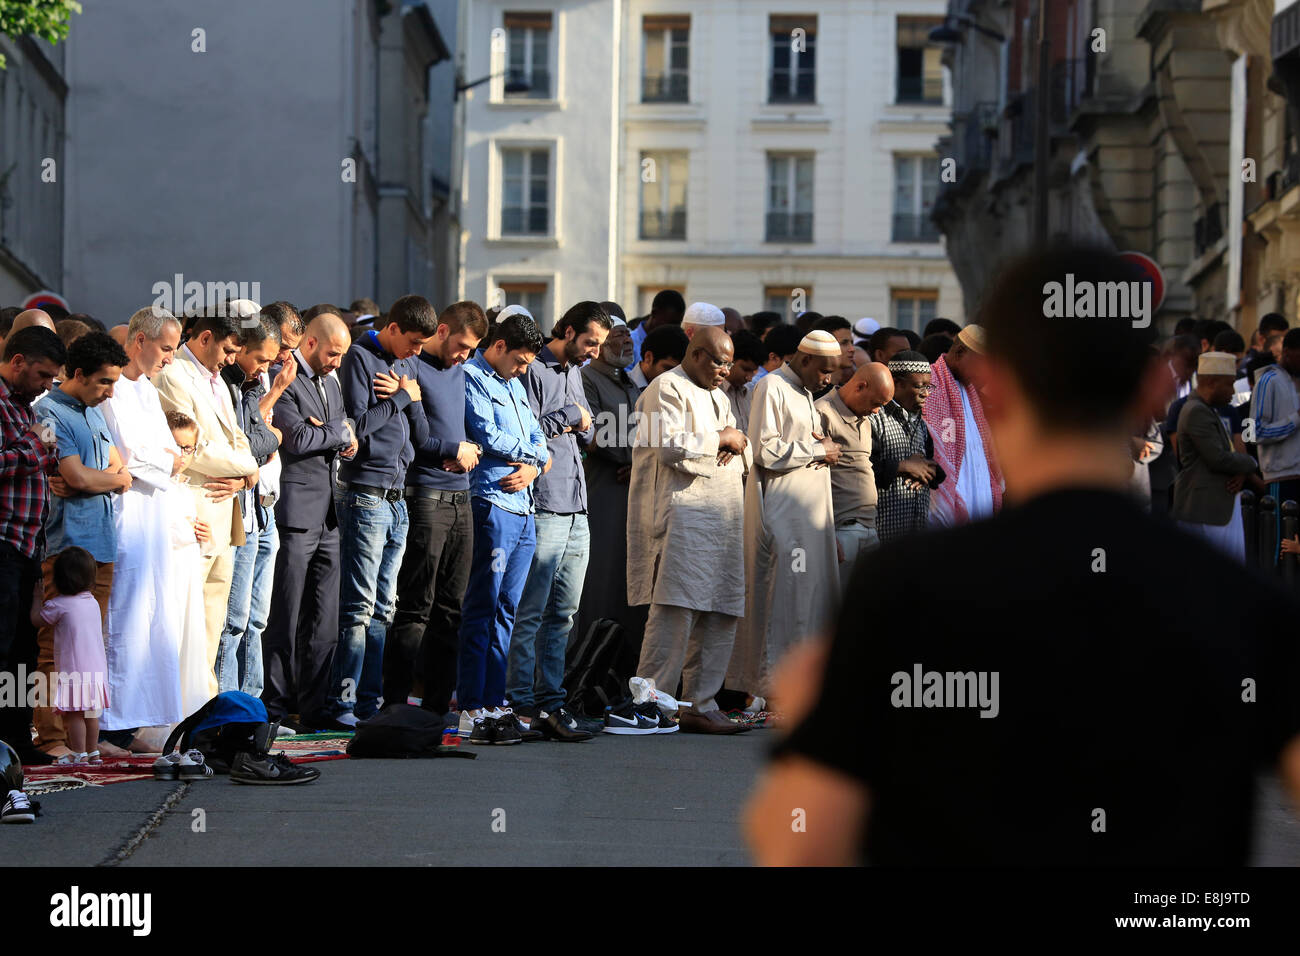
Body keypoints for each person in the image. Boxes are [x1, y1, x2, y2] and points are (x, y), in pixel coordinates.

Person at [745, 244, 1300, 866]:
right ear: (1152, 395)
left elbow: (800, 841)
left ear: (996, 393)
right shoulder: (1238, 601)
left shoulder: (903, 590)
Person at [626, 328, 752, 734]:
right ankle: (650, 705)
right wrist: (724, 438)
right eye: (719, 362)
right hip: (682, 518)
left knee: (721, 609)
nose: (726, 372)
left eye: (730, 363)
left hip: (723, 516)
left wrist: (732, 441)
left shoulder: (718, 395)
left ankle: (700, 703)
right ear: (696, 354)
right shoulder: (666, 388)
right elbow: (670, 447)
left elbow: (737, 446)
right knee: (675, 612)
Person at [330, 295, 437, 728]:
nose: (415, 352)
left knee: (383, 610)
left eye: (420, 346)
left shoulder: (409, 366)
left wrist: (410, 398)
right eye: (411, 343)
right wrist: (399, 400)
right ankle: (343, 703)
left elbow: (425, 433)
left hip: (399, 499)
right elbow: (358, 425)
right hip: (366, 493)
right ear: (392, 329)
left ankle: (369, 704)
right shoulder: (359, 356)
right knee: (357, 607)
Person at [508, 302, 609, 740]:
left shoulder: (574, 372)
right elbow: (526, 431)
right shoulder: (532, 368)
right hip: (544, 503)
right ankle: (520, 703)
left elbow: (590, 430)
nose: (595, 353)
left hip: (577, 505)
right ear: (567, 331)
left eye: (600, 345)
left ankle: (552, 702)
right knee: (531, 611)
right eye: (590, 342)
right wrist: (571, 417)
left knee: (564, 614)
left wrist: (578, 422)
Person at [730, 330, 842, 702]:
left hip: (807, 517)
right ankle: (765, 691)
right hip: (782, 516)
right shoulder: (772, 386)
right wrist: (818, 448)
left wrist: (819, 449)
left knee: (805, 603)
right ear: (805, 360)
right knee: (781, 602)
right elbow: (763, 449)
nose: (829, 379)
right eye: (825, 371)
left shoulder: (807, 393)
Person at [386, 301, 486, 715]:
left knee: (452, 609)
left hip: (462, 497)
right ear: (442, 331)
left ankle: (437, 707)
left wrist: (471, 449)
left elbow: (472, 434)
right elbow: (421, 438)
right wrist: (453, 449)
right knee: (415, 606)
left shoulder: (463, 373)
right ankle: (393, 704)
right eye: (461, 344)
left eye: (471, 349)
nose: (464, 354)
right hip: (426, 496)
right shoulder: (410, 369)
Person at [33, 332, 130, 759]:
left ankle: (85, 742)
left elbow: (116, 469)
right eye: (105, 382)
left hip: (102, 546)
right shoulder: (49, 411)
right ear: (77, 374)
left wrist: (103, 481)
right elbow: (76, 478)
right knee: (55, 649)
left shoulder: (95, 412)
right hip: (66, 547)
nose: (111, 391)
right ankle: (51, 738)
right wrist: (102, 480)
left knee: (91, 649)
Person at [153, 311, 259, 701]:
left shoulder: (219, 382)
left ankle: (205, 701)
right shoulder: (172, 375)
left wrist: (245, 470)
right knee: (187, 621)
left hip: (224, 509)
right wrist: (250, 469)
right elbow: (191, 448)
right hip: (194, 511)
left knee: (213, 620)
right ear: (206, 338)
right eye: (228, 350)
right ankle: (180, 706)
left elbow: (239, 439)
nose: (232, 359)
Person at [458, 312, 550, 745]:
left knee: (508, 608)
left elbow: (541, 443)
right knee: (483, 604)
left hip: (524, 507)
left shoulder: (515, 384)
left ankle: (495, 700)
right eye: (519, 361)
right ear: (497, 347)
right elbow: (484, 431)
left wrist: (533, 465)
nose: (523, 369)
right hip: (491, 502)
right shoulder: (472, 376)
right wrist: (531, 457)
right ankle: (471, 704)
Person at [262, 312, 356, 731]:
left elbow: (342, 430)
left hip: (331, 516)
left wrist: (337, 433)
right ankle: (276, 708)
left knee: (324, 620)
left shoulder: (332, 382)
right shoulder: (284, 375)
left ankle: (314, 708)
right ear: (312, 343)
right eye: (333, 354)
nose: (338, 363)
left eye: (342, 356)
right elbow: (297, 438)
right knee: (285, 615)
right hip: (296, 513)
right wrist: (338, 434)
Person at [98, 307, 185, 743]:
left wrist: (164, 462)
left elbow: (175, 454)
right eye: (165, 348)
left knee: (155, 617)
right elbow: (131, 457)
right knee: (124, 617)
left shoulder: (149, 392)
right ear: (138, 342)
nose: (170, 358)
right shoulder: (113, 390)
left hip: (155, 518)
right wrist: (164, 463)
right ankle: (113, 721)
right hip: (127, 516)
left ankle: (144, 715)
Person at [0, 327, 65, 764]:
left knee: (22, 651)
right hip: (2, 544)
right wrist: (37, 448)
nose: (46, 385)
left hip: (26, 546)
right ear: (17, 361)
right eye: (42, 374)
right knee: (2, 649)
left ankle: (17, 744)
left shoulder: (24, 409)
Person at [216, 315, 283, 697]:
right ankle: (227, 707)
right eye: (261, 358)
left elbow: (257, 441)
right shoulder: (224, 385)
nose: (266, 368)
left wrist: (265, 440)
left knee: (253, 617)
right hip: (233, 510)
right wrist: (267, 440)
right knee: (231, 620)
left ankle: (249, 703)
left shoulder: (251, 385)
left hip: (256, 508)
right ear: (238, 347)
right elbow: (245, 446)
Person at [576, 313, 646, 646]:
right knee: (600, 583)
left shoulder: (628, 381)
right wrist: (638, 456)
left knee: (626, 584)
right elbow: (594, 434)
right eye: (617, 336)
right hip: (603, 490)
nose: (626, 342)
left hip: (632, 492)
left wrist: (641, 461)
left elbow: (646, 434)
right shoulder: (587, 378)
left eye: (628, 335)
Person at [1171, 351, 1258, 562]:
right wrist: (1251, 463)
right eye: (1229, 384)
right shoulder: (1195, 411)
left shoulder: (1209, 409)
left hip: (1218, 506)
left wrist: (1240, 471)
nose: (1232, 390)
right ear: (1211, 382)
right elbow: (1217, 458)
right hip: (1206, 507)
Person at [815, 363, 895, 589]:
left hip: (869, 527)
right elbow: (810, 481)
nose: (877, 411)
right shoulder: (822, 412)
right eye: (876, 403)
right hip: (841, 531)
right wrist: (827, 535)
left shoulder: (866, 419)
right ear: (861, 386)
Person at [34, 547, 109, 765]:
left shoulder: (59, 605)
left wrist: (38, 598)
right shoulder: (92, 602)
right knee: (91, 714)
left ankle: (78, 753)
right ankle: (93, 751)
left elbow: (37, 620)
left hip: (74, 671)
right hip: (96, 669)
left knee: (74, 715)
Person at [161, 411, 213, 718]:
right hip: (166, 576)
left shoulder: (183, 487)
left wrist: (202, 536)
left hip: (186, 575)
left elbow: (194, 535)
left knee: (188, 641)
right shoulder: (154, 488)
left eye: (188, 448)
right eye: (177, 447)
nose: (183, 456)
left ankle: (185, 712)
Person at [924, 325, 1003, 526]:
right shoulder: (930, 384)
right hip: (953, 499)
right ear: (960, 352)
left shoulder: (971, 390)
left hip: (979, 496)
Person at [871, 350, 946, 541]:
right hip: (882, 534)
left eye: (929, 387)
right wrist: (903, 467)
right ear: (897, 383)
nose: (926, 394)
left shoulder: (920, 422)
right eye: (919, 387)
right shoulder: (874, 418)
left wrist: (924, 472)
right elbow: (861, 471)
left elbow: (931, 465)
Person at [1250, 327, 1300, 521]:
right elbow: (1254, 432)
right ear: (1287, 352)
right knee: (1281, 542)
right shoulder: (1268, 380)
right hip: (1281, 477)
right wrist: (1296, 419)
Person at [720, 330, 764, 438]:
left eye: (753, 372)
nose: (749, 378)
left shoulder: (753, 390)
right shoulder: (712, 391)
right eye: (745, 369)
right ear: (729, 359)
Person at [628, 289, 686, 368]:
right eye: (669, 324)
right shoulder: (629, 344)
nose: (673, 329)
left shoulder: (674, 346)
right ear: (654, 313)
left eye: (677, 325)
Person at [630, 325, 689, 390]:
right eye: (668, 369)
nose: (673, 377)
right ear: (648, 357)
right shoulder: (621, 388)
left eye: (678, 372)